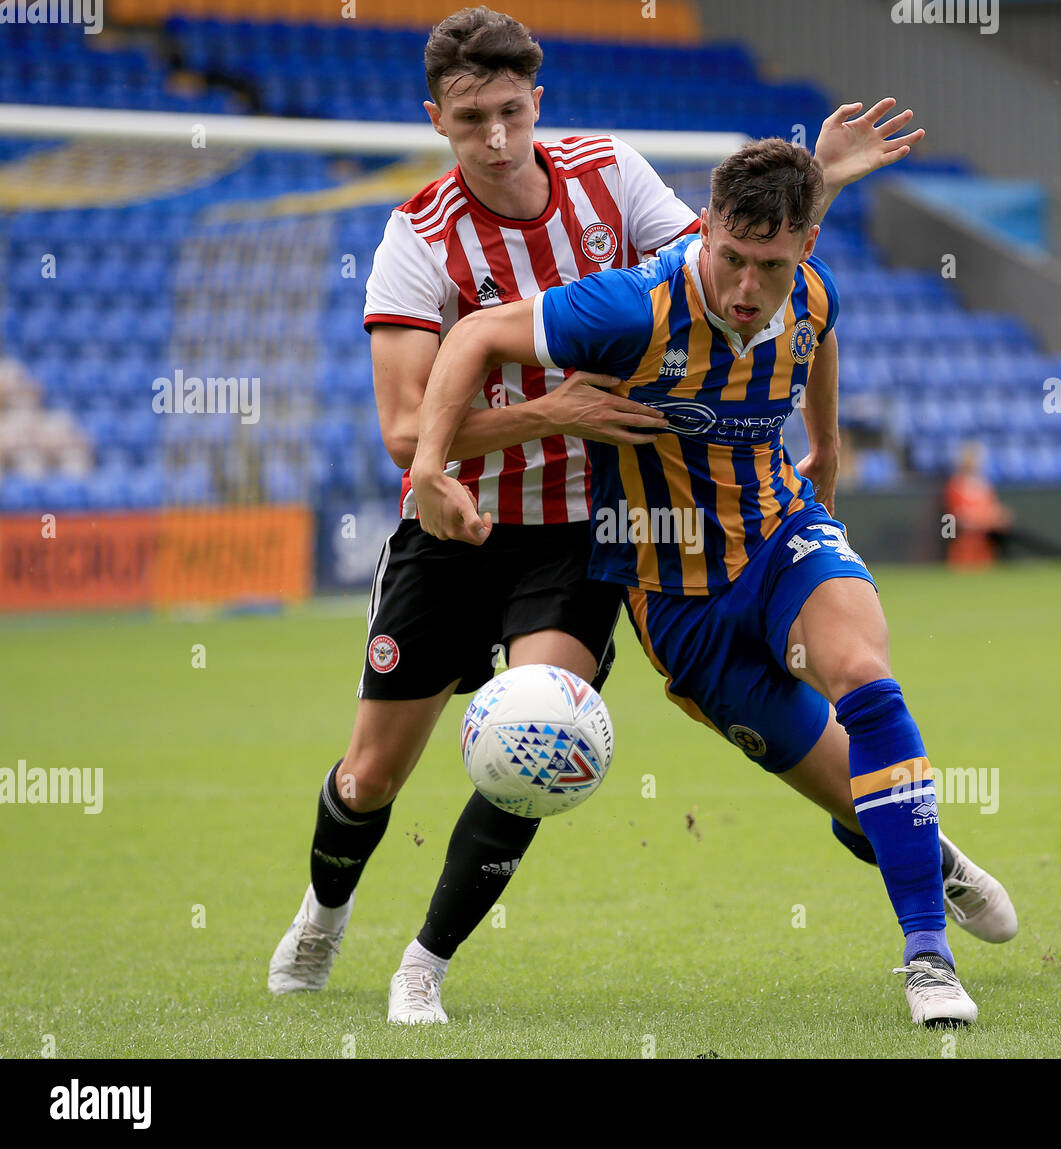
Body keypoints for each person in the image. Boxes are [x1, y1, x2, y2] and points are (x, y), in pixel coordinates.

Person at [267, 5, 933, 1025]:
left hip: (587, 524)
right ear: (435, 120)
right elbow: (407, 436)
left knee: (538, 735)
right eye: (466, 120)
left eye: (506, 111)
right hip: (457, 523)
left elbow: (731, 273)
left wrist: (821, 188)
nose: (493, 139)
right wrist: (545, 411)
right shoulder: (417, 237)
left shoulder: (609, 173)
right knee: (367, 777)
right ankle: (325, 908)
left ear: (538, 100)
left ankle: (424, 964)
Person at [411, 138, 1017, 1026]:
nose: (742, 284)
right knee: (854, 789)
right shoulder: (627, 310)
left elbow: (818, 333)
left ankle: (927, 953)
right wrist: (431, 465)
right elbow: (472, 334)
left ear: (804, 248)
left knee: (867, 683)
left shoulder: (810, 290)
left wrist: (830, 447)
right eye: (728, 255)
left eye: (767, 264)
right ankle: (933, 853)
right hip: (677, 600)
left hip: (782, 539)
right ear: (707, 229)